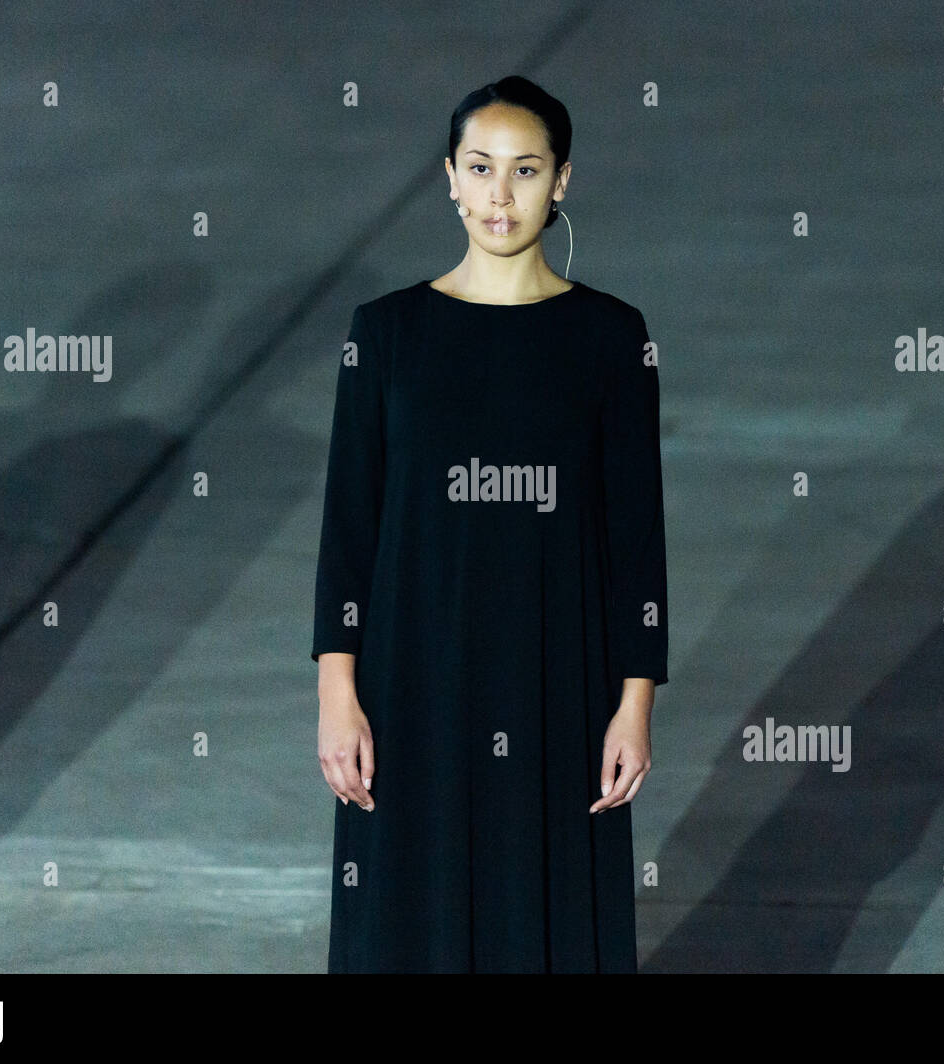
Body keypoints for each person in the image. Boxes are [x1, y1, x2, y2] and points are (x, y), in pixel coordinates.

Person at [311, 74, 668, 973]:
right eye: (480, 168)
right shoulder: (385, 335)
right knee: (409, 910)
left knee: (541, 909)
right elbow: (350, 528)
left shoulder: (610, 337)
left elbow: (635, 534)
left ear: (563, 182)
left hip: (559, 677)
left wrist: (634, 706)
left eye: (524, 170)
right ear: (449, 178)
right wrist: (336, 693)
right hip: (413, 679)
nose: (499, 195)